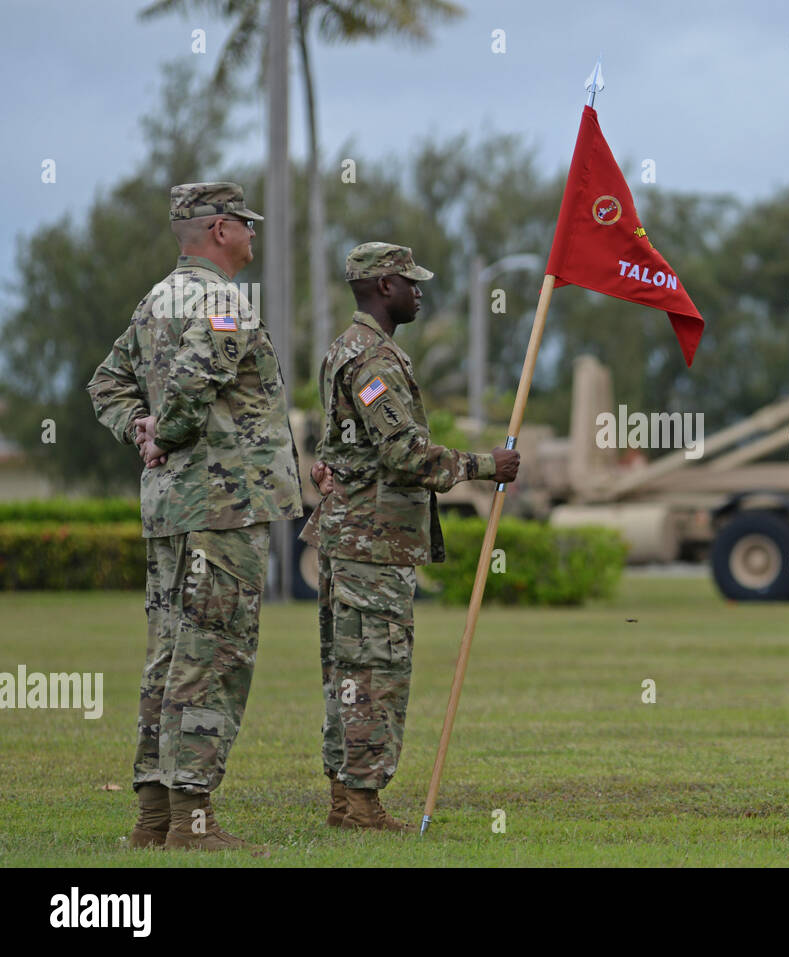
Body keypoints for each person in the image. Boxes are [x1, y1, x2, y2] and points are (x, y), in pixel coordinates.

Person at [87, 181, 302, 850]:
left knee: (169, 656)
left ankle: (153, 822)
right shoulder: (224, 302)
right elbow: (192, 383)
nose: (252, 233)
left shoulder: (157, 300)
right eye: (244, 222)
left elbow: (106, 384)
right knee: (213, 657)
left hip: (172, 510)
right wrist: (163, 432)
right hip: (221, 508)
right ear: (218, 231)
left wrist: (139, 433)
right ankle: (192, 824)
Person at [300, 242, 520, 832]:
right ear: (382, 288)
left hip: (352, 537)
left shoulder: (345, 349)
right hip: (372, 543)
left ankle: (346, 802)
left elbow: (335, 447)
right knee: (377, 670)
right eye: (410, 282)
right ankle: (363, 804)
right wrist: (483, 466)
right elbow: (403, 454)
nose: (420, 292)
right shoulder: (373, 358)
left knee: (347, 672)